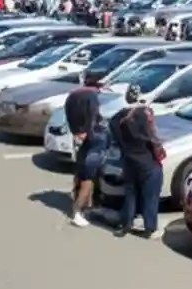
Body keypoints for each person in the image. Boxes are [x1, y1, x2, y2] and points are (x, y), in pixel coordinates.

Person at [108, 85, 165, 239]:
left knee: (131, 194)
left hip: (129, 159)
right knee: (150, 195)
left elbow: (114, 134)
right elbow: (153, 138)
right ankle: (150, 228)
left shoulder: (117, 118)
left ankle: (126, 224)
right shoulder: (144, 114)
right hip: (147, 160)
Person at [64, 72, 107, 227]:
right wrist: (88, 132)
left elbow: (68, 114)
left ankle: (83, 204)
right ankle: (78, 211)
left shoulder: (72, 96)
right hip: (93, 139)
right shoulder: (91, 97)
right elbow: (92, 116)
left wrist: (77, 132)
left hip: (78, 138)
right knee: (89, 177)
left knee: (80, 172)